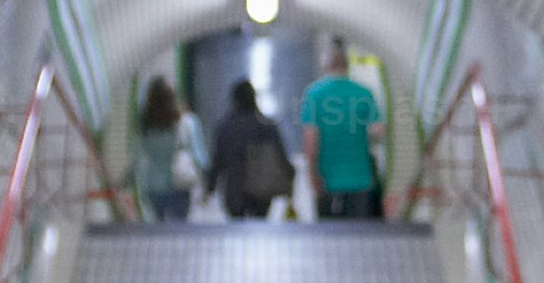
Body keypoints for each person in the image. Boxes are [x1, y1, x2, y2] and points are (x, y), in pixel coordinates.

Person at [301, 52, 386, 221]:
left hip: (327, 180)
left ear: (325, 67)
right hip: (361, 179)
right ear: (347, 67)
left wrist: (312, 173)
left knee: (330, 236)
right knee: (360, 235)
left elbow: (311, 138)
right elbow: (378, 130)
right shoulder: (364, 93)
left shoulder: (314, 94)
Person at [126, 75, 204, 223]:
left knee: (158, 226)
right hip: (180, 183)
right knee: (180, 229)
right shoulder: (188, 123)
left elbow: (136, 158)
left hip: (153, 185)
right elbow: (198, 156)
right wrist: (207, 184)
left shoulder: (145, 126)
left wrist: (125, 181)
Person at [213, 81, 290, 223]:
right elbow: (280, 154)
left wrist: (210, 185)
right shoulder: (266, 124)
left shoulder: (226, 126)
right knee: (260, 228)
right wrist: (290, 178)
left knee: (236, 229)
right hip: (261, 187)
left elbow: (218, 158)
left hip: (234, 186)